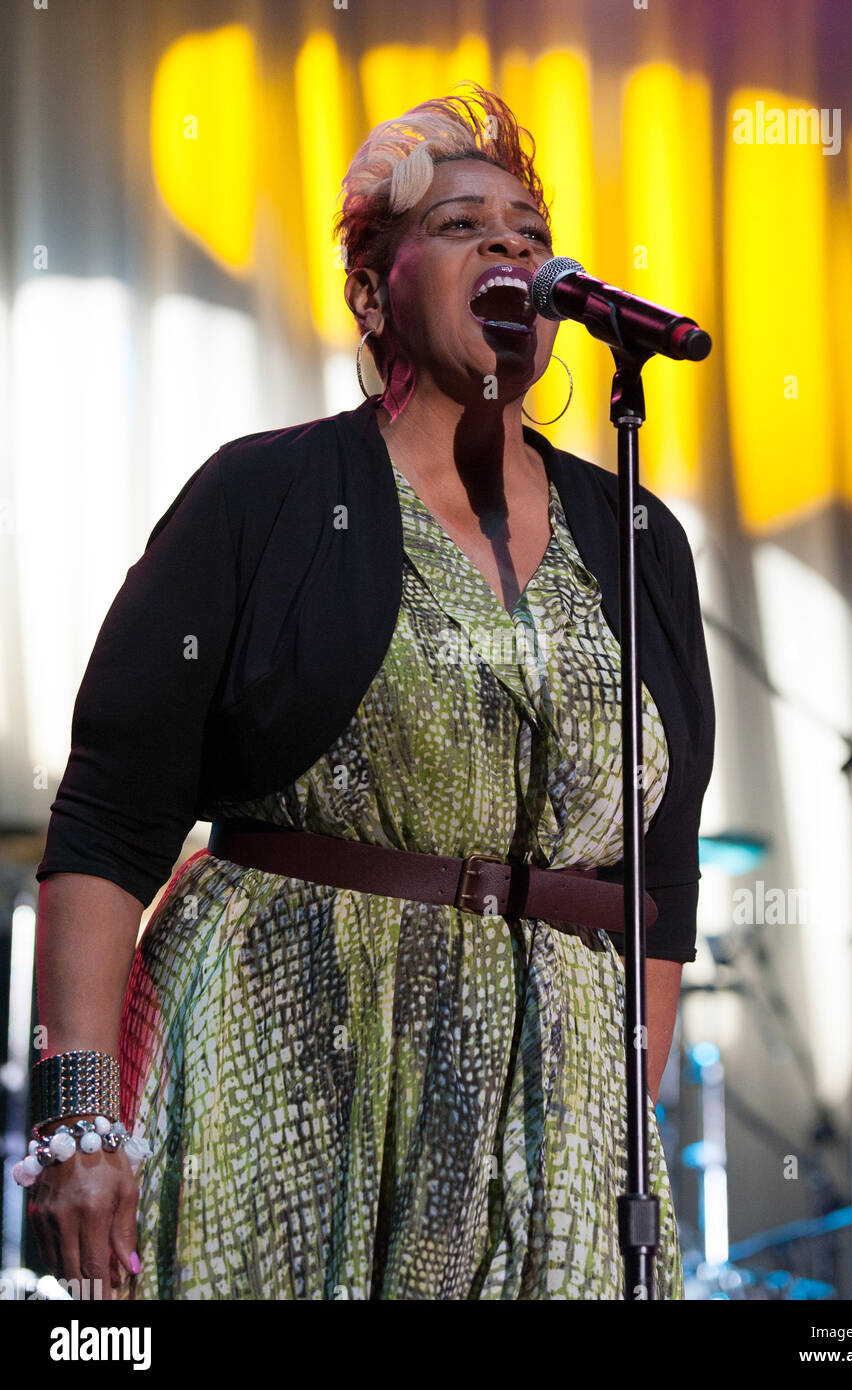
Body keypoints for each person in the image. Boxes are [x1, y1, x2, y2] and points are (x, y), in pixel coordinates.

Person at [27, 81, 714, 1300]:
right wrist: (78, 1125)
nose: (510, 246)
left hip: (553, 1101)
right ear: (373, 287)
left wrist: (614, 1116)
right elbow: (106, 822)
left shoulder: (637, 533)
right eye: (460, 227)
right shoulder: (263, 496)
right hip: (283, 1061)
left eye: (529, 230)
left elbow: (659, 882)